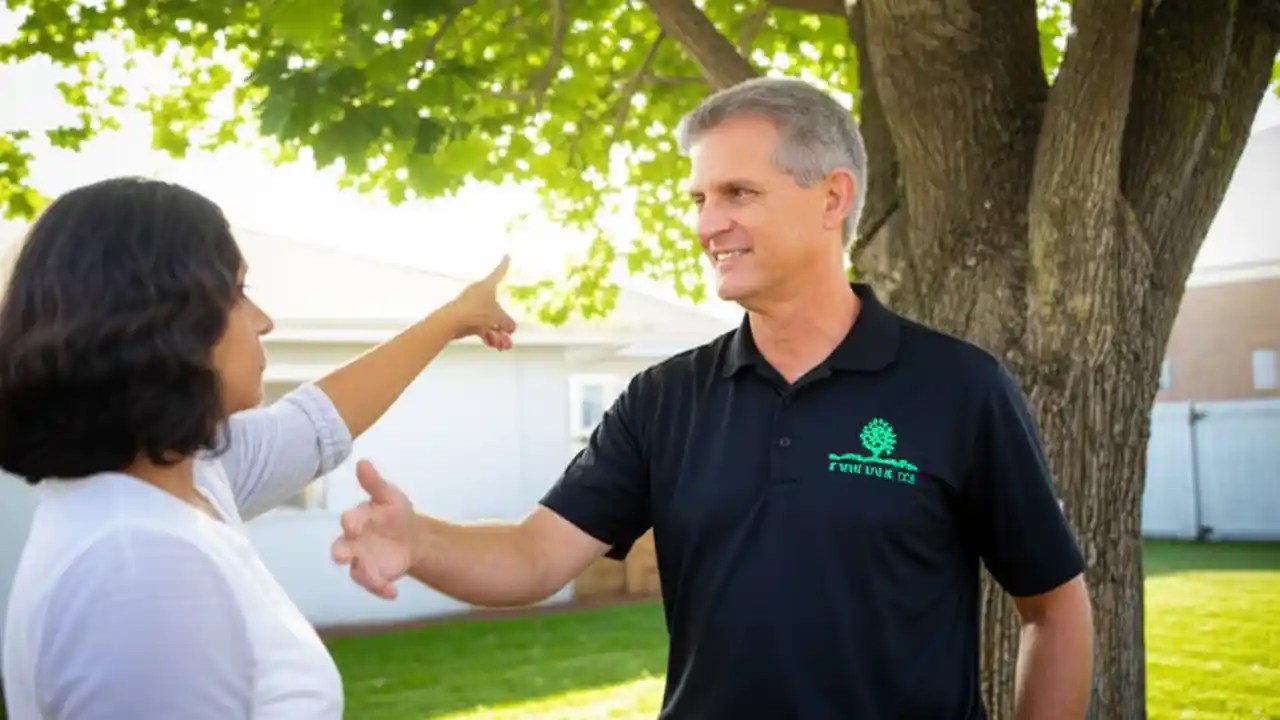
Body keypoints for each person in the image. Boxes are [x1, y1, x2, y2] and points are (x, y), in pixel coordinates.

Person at [331, 77, 1095, 718]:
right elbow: (535, 557)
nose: (706, 224)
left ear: (833, 199)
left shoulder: (958, 388)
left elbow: (1054, 608)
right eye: (699, 197)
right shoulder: (664, 401)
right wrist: (419, 540)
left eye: (737, 192)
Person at [0, 176, 517, 719]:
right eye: (238, 293)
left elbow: (314, 424)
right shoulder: (138, 567)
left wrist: (453, 318)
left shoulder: (185, 478)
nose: (264, 320)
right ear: (165, 318)